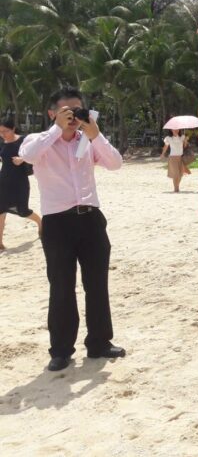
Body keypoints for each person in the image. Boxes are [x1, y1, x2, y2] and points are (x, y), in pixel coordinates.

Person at [20, 88, 124, 372]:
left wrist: (95, 134)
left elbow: (115, 163)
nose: (73, 117)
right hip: (57, 222)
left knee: (97, 284)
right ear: (52, 113)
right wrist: (56, 129)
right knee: (62, 286)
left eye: (78, 111)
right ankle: (62, 350)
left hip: (91, 219)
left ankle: (100, 343)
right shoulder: (39, 141)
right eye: (67, 111)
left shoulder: (89, 141)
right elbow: (27, 155)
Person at [0, 119, 42, 249]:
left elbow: (37, 155)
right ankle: (0, 242)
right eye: (0, 132)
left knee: (23, 211)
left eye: (5, 131)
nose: (2, 134)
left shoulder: (24, 140)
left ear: (13, 128)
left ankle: (40, 222)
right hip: (3, 181)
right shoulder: (1, 143)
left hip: (20, 181)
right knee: (0, 210)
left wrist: (22, 159)